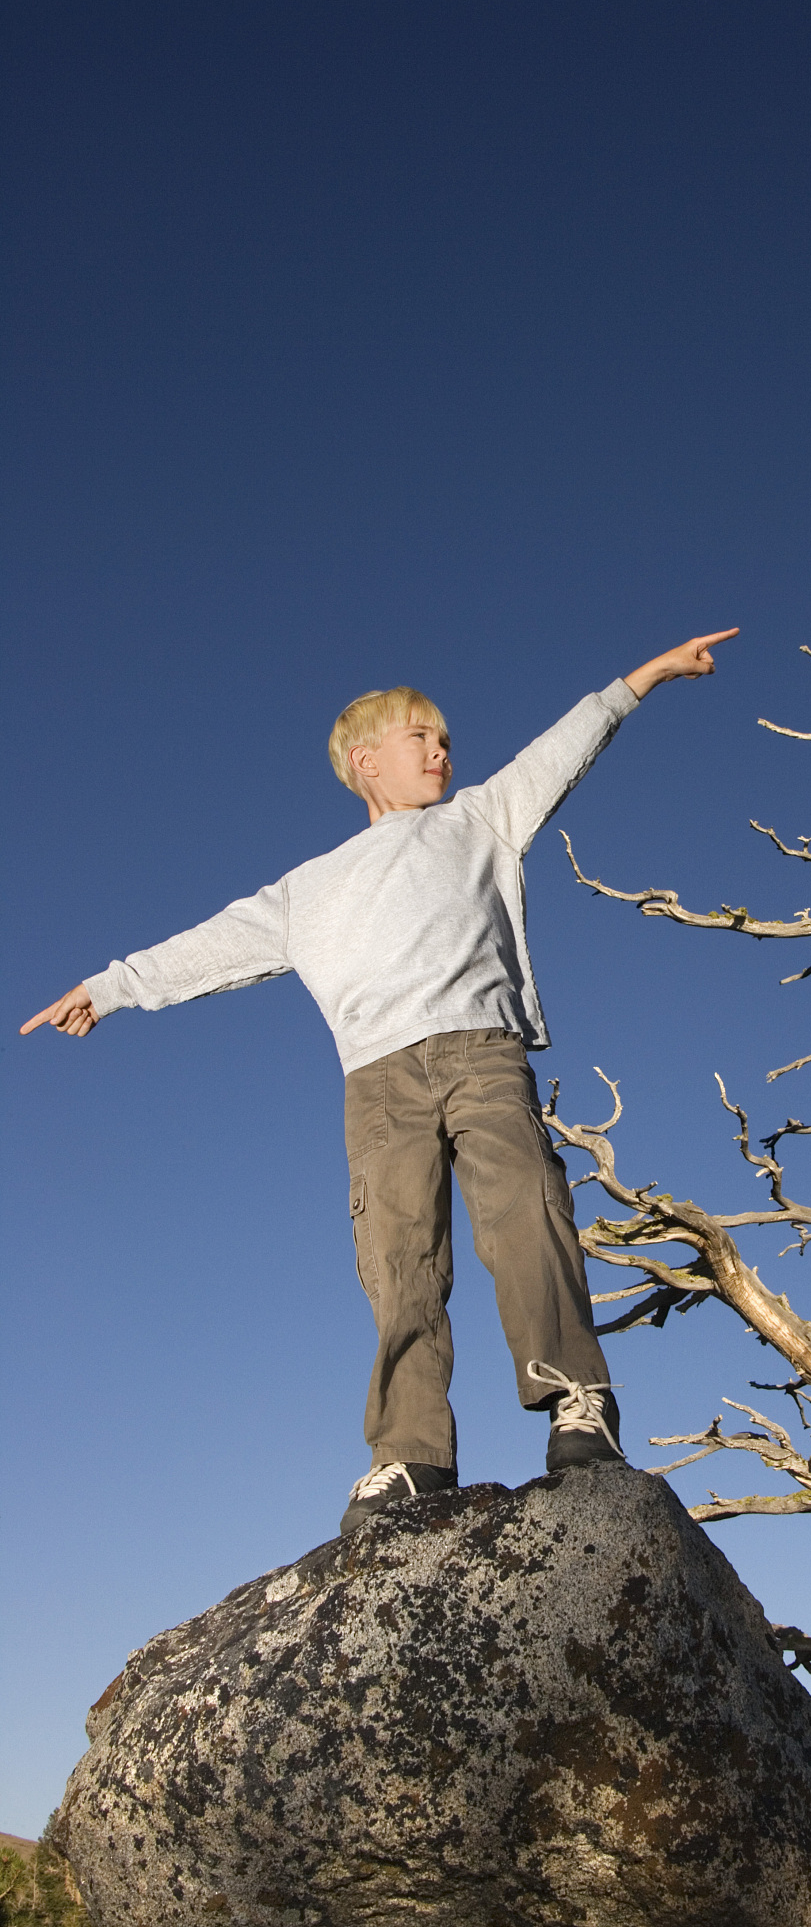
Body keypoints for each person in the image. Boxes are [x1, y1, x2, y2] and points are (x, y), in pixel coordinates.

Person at [22, 630, 738, 1534]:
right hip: (378, 1083)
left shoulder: (481, 817)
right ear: (366, 761)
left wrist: (645, 678)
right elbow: (207, 945)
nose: (443, 751)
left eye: (446, 740)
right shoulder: (306, 888)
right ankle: (409, 1453)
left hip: (481, 1054)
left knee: (526, 1214)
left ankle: (577, 1404)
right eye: (421, 739)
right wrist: (107, 988)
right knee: (397, 1262)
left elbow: (563, 746)